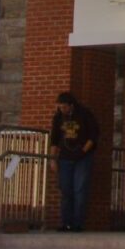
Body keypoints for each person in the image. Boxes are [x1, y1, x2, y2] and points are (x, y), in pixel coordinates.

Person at [49, 91, 99, 232]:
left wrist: (83, 151)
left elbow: (94, 135)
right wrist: (52, 159)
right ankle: (66, 223)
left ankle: (78, 223)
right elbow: (54, 139)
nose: (62, 109)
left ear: (71, 105)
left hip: (82, 157)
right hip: (65, 157)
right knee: (66, 190)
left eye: (64, 107)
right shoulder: (58, 117)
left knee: (80, 190)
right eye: (60, 107)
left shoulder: (84, 114)